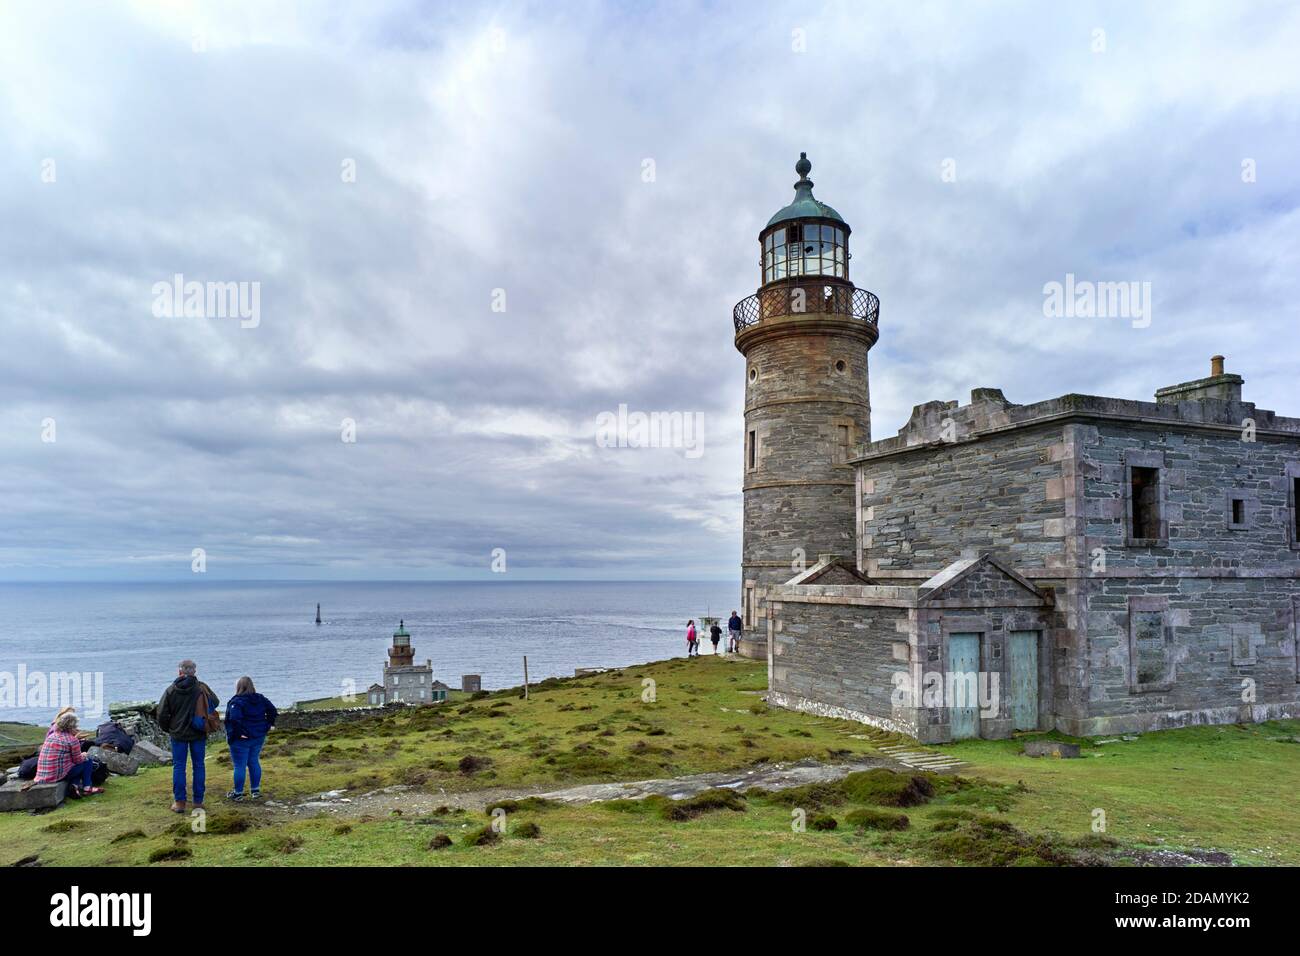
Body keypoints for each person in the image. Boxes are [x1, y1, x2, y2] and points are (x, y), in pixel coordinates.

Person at [156, 659, 219, 813]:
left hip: (178, 734)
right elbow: (215, 702)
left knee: (179, 767)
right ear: (194, 671)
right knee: (199, 766)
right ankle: (198, 801)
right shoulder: (202, 688)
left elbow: (162, 714)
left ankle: (180, 803)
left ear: (180, 671)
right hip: (198, 732)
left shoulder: (171, 690)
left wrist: (169, 728)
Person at [224, 676, 278, 801]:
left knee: (239, 765)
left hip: (242, 739)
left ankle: (238, 793)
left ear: (239, 687)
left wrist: (238, 733)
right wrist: (269, 725)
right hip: (258, 736)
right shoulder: (260, 698)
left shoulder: (236, 702)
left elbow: (234, 719)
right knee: (253, 761)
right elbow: (272, 711)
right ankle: (255, 791)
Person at [35, 711, 103, 797]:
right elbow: (78, 761)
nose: (77, 728)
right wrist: (84, 755)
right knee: (87, 760)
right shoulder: (72, 740)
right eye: (75, 726)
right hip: (56, 776)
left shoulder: (51, 737)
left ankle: (74, 786)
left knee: (75, 766)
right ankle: (87, 787)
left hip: (42, 776)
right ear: (70, 727)